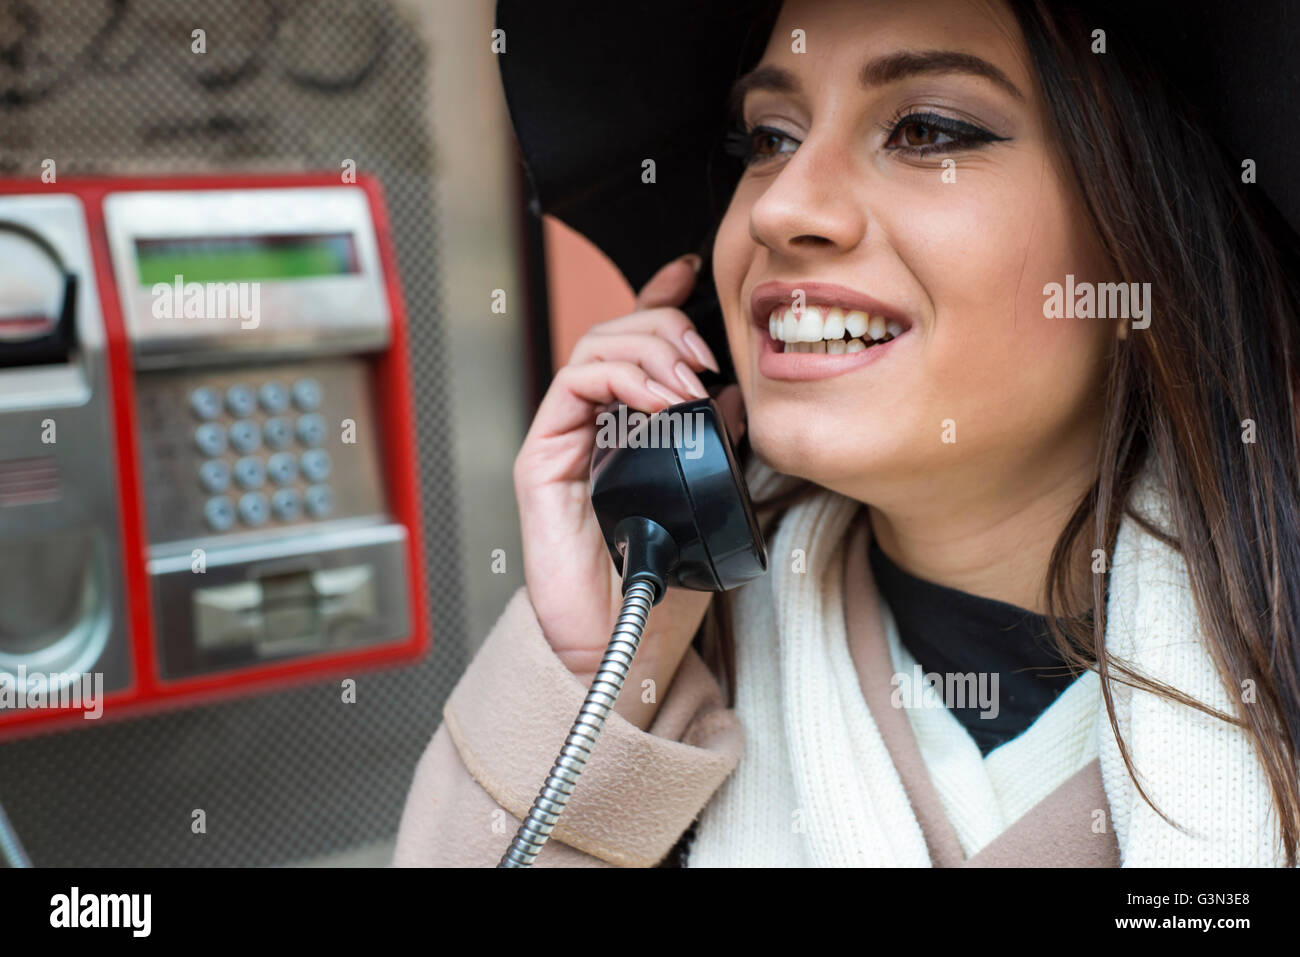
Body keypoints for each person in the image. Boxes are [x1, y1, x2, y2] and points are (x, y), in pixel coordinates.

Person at [393, 0, 1300, 866]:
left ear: (1147, 235)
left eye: (927, 132)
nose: (781, 207)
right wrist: (598, 676)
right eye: (770, 139)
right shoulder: (665, 661)